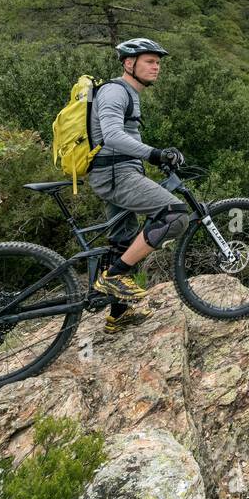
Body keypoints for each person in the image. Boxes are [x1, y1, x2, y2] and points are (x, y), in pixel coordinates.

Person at [87, 37, 192, 333]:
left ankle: (118, 314)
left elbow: (125, 139)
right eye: (150, 61)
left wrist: (157, 157)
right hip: (116, 174)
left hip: (119, 171)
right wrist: (154, 153)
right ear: (129, 63)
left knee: (125, 242)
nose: (156, 67)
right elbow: (112, 136)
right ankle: (113, 277)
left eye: (158, 62)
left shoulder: (129, 93)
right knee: (175, 215)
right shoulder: (115, 91)